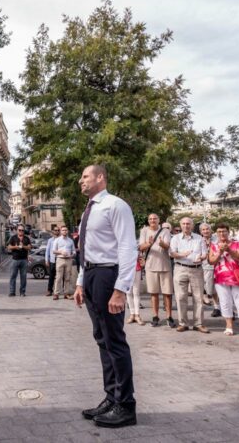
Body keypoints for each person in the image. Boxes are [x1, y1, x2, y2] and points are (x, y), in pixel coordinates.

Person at [73, 165, 137, 428]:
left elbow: (127, 247)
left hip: (108, 276)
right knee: (102, 339)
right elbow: (85, 249)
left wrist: (121, 289)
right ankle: (111, 397)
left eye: (85, 176)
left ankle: (126, 405)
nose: (81, 181)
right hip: (91, 276)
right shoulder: (89, 209)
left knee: (115, 340)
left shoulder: (115, 205)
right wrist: (80, 282)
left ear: (100, 177)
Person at [209, 223, 239, 337]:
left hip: (237, 277)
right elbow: (211, 261)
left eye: (224, 231)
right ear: (216, 233)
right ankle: (229, 327)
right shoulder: (214, 245)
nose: (222, 234)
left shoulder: (237, 244)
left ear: (228, 232)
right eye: (219, 232)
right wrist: (220, 251)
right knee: (224, 302)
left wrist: (229, 249)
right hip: (221, 277)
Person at [169, 217, 209, 333]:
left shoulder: (199, 238)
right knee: (181, 297)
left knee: (198, 297)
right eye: (184, 224)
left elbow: (205, 254)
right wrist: (182, 255)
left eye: (188, 224)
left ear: (192, 226)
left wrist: (201, 258)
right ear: (180, 225)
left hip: (196, 269)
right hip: (180, 269)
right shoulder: (175, 238)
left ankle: (198, 324)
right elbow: (171, 253)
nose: (186, 226)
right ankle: (183, 323)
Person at [139, 213, 174, 327]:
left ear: (159, 220)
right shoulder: (144, 231)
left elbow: (168, 246)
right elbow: (140, 247)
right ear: (148, 221)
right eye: (150, 219)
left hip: (165, 266)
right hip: (150, 266)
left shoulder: (165, 231)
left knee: (167, 293)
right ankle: (155, 316)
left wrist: (162, 244)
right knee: (153, 293)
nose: (153, 220)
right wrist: (148, 244)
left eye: (155, 218)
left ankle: (169, 316)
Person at [199, 223, 221, 317]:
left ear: (211, 230)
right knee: (209, 289)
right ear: (200, 232)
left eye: (207, 229)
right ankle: (216, 307)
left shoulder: (217, 239)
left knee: (220, 289)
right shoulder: (199, 240)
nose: (205, 231)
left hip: (218, 266)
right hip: (204, 267)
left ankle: (222, 308)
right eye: (203, 230)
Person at [52, 226, 77, 300]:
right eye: (63, 230)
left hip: (69, 260)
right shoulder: (57, 240)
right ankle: (56, 293)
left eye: (66, 230)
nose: (64, 231)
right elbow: (53, 251)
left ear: (68, 231)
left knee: (67, 278)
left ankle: (66, 293)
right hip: (60, 259)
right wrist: (61, 252)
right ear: (60, 231)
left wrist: (72, 255)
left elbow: (74, 251)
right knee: (58, 277)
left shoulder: (70, 241)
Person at [6, 224, 31, 297]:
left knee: (23, 277)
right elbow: (9, 247)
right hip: (15, 259)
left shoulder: (26, 238)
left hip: (24, 260)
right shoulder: (13, 238)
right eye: (19, 230)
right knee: (13, 276)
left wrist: (23, 246)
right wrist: (16, 247)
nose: (21, 231)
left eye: (22, 230)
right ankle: (12, 292)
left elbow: (29, 247)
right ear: (17, 230)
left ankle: (22, 292)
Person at [44, 227, 60, 296]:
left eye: (58, 230)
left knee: (61, 276)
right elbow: (47, 251)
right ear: (53, 231)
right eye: (55, 230)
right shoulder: (50, 240)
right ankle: (49, 290)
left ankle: (62, 291)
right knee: (51, 276)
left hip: (60, 260)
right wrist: (46, 260)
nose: (57, 231)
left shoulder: (61, 240)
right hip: (52, 261)